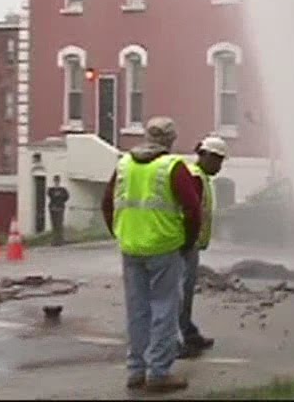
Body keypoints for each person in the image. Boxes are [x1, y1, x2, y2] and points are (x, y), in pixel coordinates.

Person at [101, 117, 201, 393]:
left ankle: (136, 370)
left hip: (131, 247)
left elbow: (107, 202)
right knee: (165, 309)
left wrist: (120, 233)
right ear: (171, 140)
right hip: (164, 247)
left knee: (137, 311)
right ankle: (158, 372)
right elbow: (193, 208)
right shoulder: (172, 167)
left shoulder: (124, 164)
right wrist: (188, 242)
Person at [179, 135, 227, 359]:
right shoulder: (195, 177)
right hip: (185, 245)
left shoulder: (201, 177)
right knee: (182, 293)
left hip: (191, 244)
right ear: (206, 156)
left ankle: (187, 331)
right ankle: (180, 337)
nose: (219, 166)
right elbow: (189, 212)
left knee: (185, 292)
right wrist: (188, 242)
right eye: (217, 161)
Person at [47, 174, 69, 246]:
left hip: (60, 208)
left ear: (59, 181)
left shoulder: (63, 190)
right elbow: (50, 196)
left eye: (57, 180)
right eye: (55, 180)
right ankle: (54, 240)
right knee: (54, 225)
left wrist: (60, 200)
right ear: (54, 181)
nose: (56, 182)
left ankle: (60, 240)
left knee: (59, 224)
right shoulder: (51, 190)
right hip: (53, 208)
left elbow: (66, 197)